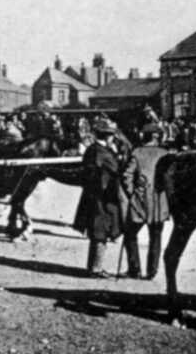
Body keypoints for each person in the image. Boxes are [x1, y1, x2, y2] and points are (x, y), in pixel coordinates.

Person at [72, 118, 124, 278]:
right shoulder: (103, 153)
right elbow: (115, 171)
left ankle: (94, 266)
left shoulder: (92, 149)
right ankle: (95, 268)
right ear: (108, 136)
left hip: (92, 195)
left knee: (98, 230)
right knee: (100, 230)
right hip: (101, 197)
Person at [120, 123, 170, 280]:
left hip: (140, 200)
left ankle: (134, 269)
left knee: (130, 233)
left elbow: (127, 175)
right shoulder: (165, 153)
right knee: (156, 236)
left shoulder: (137, 152)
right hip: (160, 201)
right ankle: (152, 271)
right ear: (157, 137)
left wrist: (131, 192)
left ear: (144, 136)